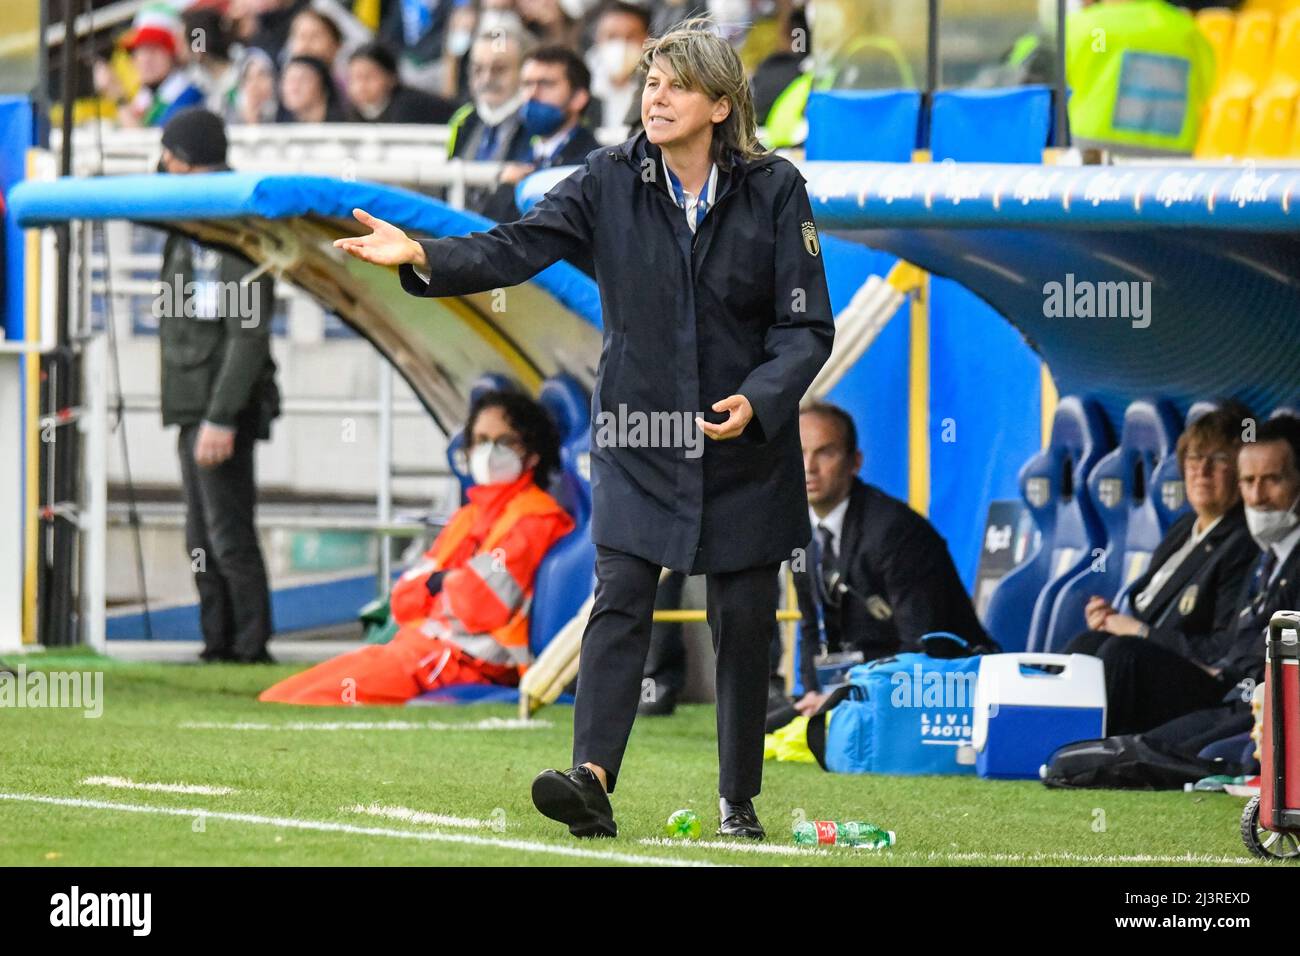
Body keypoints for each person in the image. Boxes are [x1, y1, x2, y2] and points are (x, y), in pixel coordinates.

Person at [333, 16, 835, 840]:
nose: (655, 97)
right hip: (638, 439)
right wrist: (422, 253)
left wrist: (757, 400)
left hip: (746, 446)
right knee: (622, 599)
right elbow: (515, 247)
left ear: (720, 104)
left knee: (744, 620)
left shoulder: (778, 190)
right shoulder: (607, 179)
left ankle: (736, 802)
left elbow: (806, 328)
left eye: (675, 85)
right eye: (648, 83)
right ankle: (591, 779)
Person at [260, 390, 575, 705]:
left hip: (467, 661)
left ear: (532, 455)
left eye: (504, 441)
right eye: (480, 440)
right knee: (278, 696)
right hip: (419, 647)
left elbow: (479, 604)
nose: (489, 452)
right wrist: (440, 582)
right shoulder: (469, 516)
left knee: (312, 700)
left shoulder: (536, 518)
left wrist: (437, 582)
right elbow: (402, 599)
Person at [1072, 416, 1300, 737]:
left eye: (1217, 459)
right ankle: (1057, 746)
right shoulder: (1182, 528)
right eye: (1194, 458)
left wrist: (1139, 632)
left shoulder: (1247, 541)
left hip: (1210, 683)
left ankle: (1095, 750)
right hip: (1200, 674)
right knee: (1089, 644)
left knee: (1123, 654)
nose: (1201, 470)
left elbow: (1224, 645)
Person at [156, 108, 281, 663]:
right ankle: (219, 644)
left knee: (226, 534)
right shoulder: (199, 222)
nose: (160, 166)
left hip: (215, 408)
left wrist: (221, 416)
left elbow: (247, 336)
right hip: (197, 405)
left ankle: (248, 647)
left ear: (184, 158)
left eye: (169, 154)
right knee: (203, 535)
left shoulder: (230, 232)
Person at [791, 403, 996, 717]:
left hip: (938, 688)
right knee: (766, 726)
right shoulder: (796, 532)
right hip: (859, 685)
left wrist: (846, 698)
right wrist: (814, 692)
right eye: (799, 452)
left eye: (825, 453)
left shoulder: (894, 531)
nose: (809, 467)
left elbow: (922, 642)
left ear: (854, 462)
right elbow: (809, 626)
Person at [1065, 0, 1216, 155]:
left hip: (1094, 152)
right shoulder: (1186, 29)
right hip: (1171, 157)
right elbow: (1205, 89)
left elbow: (1054, 81)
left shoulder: (1085, 25)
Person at [474, 45, 601, 227]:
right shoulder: (514, 148)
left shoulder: (593, 161)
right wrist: (506, 188)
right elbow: (487, 231)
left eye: (546, 84)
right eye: (527, 84)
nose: (532, 94)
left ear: (578, 98)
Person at [344, 41, 457, 124]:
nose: (360, 87)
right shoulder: (354, 113)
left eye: (368, 77)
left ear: (392, 78)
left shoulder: (409, 107)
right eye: (353, 79)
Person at [585, 1, 651, 128]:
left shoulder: (655, 91)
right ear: (598, 39)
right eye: (612, 36)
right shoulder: (582, 89)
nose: (621, 44)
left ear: (646, 39)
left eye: (631, 36)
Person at [276, 54, 347, 122]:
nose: (294, 88)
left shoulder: (346, 126)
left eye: (303, 79)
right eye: (289, 80)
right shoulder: (278, 125)